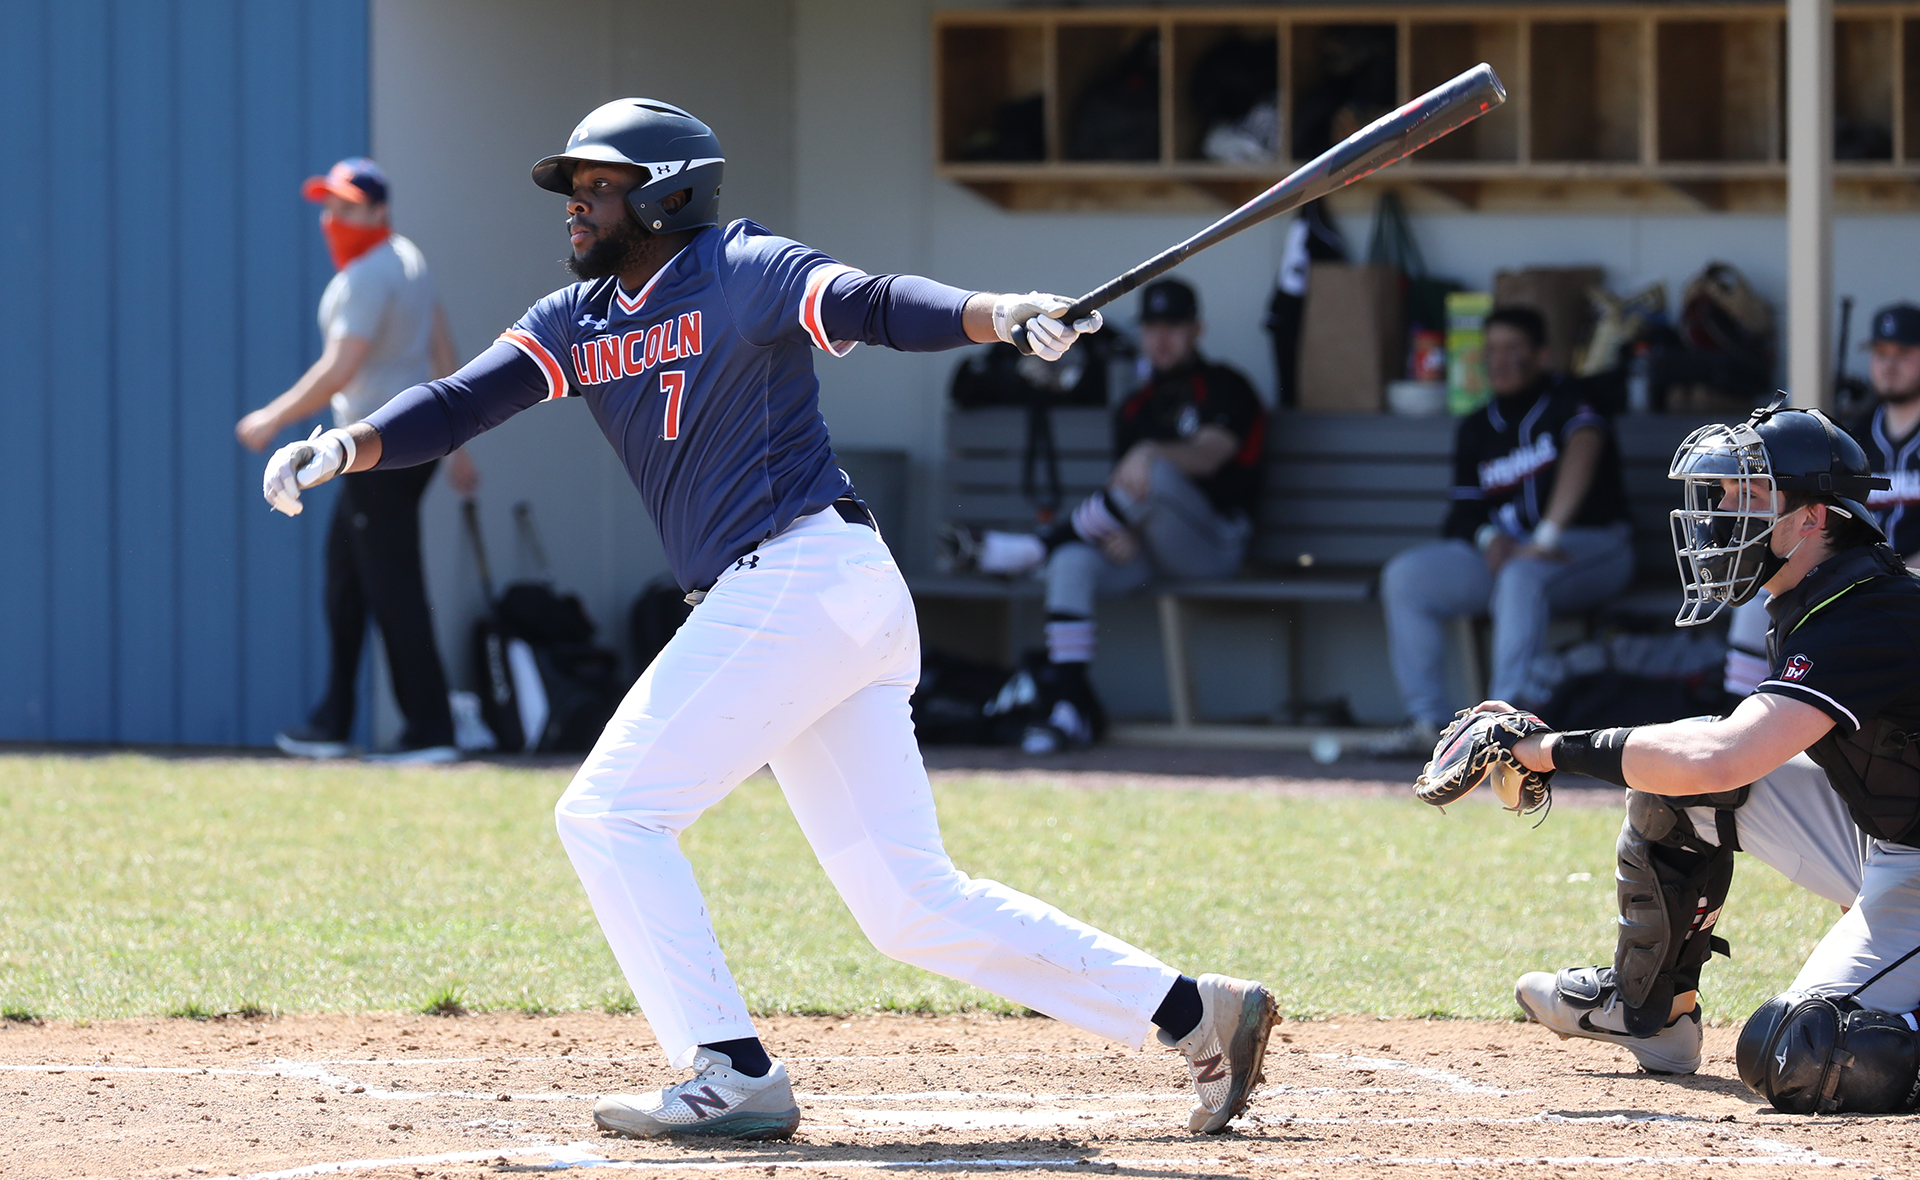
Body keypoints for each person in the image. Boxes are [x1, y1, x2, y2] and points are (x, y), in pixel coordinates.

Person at [257, 99, 1276, 1141]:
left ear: (666, 192)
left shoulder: (742, 268)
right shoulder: (581, 317)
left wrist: (997, 309)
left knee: (609, 813)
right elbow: (465, 399)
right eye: (572, 189)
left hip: (800, 572)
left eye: (596, 186)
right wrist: (347, 447)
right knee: (908, 903)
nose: (573, 205)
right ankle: (1199, 1012)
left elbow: (876, 304)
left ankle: (729, 1067)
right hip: (812, 597)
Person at [1495, 404, 1920, 1115]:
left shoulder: (1868, 611)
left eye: (1748, 495)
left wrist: (1548, 749)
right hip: (1893, 839)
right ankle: (1652, 1012)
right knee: (1676, 783)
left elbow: (1723, 756)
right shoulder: (1813, 595)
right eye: (1722, 494)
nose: (1722, 514)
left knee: (1798, 1050)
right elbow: (1703, 762)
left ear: (1814, 518)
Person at [943, 278, 1265, 752]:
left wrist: (1151, 452)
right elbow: (1124, 491)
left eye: (1173, 326)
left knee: (1149, 470)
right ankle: (1069, 708)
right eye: (1153, 326)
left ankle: (1035, 547)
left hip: (1216, 548)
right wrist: (1128, 527)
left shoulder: (1225, 385)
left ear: (1197, 329)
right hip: (1146, 546)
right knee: (1073, 564)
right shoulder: (1135, 404)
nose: (1161, 338)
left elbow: (1209, 455)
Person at [237, 157, 477, 764]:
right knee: (346, 579)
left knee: (392, 583)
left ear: (378, 211)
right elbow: (443, 349)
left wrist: (273, 417)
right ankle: (334, 721)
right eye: (329, 206)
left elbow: (339, 369)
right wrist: (457, 446)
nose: (333, 218)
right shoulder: (408, 258)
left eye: (347, 206)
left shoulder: (372, 272)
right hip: (397, 447)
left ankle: (430, 731)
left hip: (375, 451)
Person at [1375, 305, 1633, 754]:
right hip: (1514, 556)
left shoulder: (1571, 398)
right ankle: (1427, 722)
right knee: (1406, 576)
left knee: (1520, 577)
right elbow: (1462, 514)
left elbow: (1585, 447)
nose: (1500, 359)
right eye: (1491, 349)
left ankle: (1500, 730)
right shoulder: (1477, 426)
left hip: (1593, 547)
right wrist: (1488, 539)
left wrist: (1546, 537)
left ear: (1542, 355)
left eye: (1513, 348)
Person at [1850, 303, 1920, 566]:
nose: (1889, 365)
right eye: (1881, 353)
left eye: (1902, 353)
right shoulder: (1853, 438)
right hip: (1863, 585)